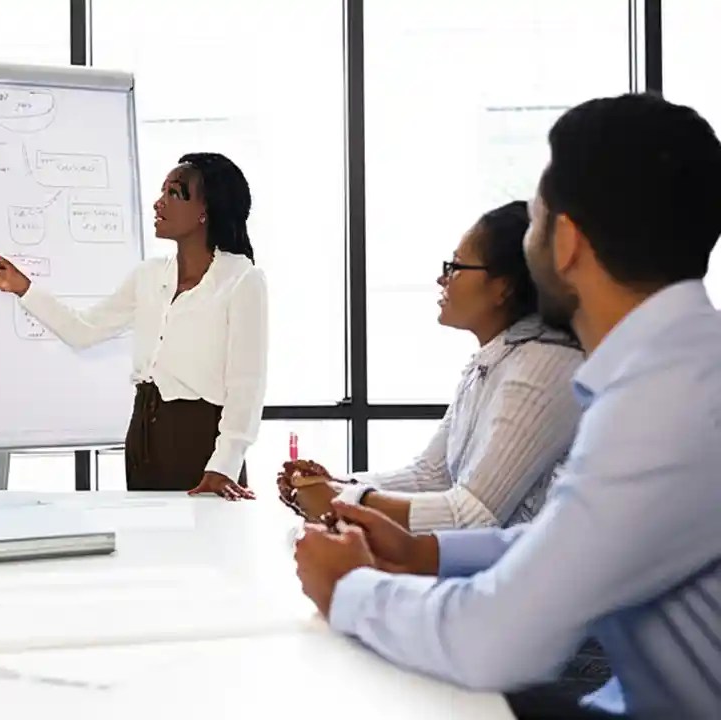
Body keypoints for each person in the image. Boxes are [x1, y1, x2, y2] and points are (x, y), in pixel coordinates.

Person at [294, 93, 721, 719]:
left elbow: (494, 641)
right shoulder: (675, 371)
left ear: (567, 241)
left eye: (537, 222)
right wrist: (426, 555)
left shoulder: (667, 402)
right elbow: (570, 539)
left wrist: (351, 589)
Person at [279, 202, 583, 531]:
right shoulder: (494, 357)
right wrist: (331, 483)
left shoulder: (543, 362)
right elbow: (431, 476)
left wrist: (343, 500)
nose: (442, 278)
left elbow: (474, 516)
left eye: (455, 266)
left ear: (503, 287)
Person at [0, 153, 267, 498]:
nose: (158, 203)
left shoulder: (241, 280)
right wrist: (22, 286)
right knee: (149, 550)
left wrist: (224, 465)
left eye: (174, 194)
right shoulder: (148, 276)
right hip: (145, 436)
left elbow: (246, 386)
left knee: (207, 548)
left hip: (203, 444)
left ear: (205, 210)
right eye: (162, 192)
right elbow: (83, 330)